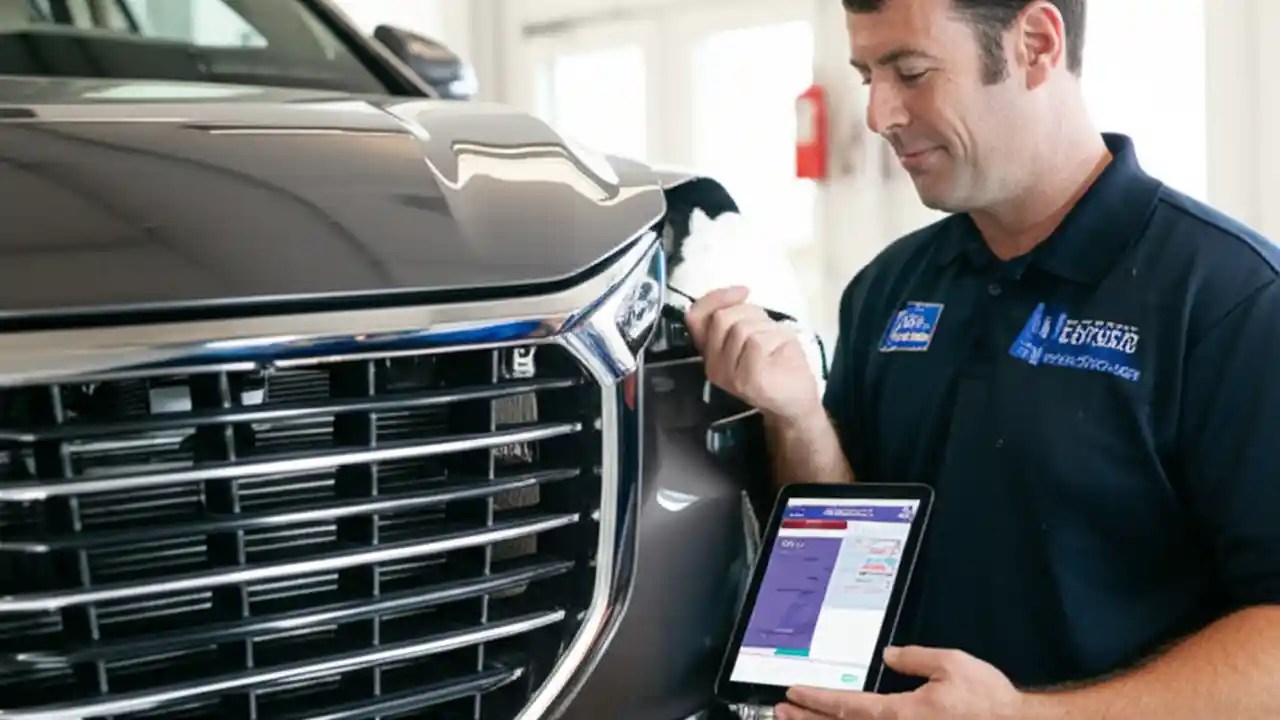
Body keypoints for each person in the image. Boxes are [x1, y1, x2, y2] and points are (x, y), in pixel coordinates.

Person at [686, 0, 1280, 718]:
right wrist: (798, 415)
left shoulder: (1230, 301)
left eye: (910, 71)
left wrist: (1028, 716)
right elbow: (847, 577)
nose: (878, 114)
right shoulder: (888, 290)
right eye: (866, 73)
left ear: (1034, 44)